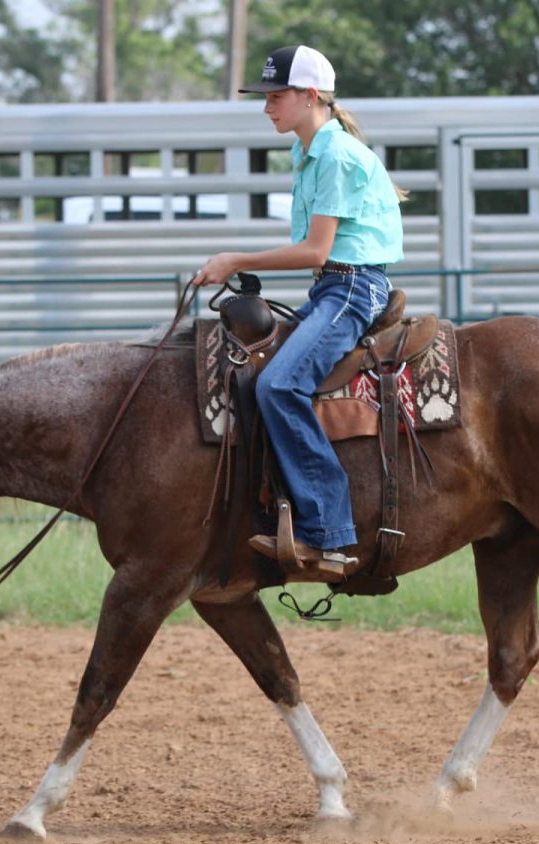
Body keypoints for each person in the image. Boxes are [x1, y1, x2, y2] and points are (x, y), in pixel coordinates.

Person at [193, 44, 404, 581]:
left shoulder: (334, 157)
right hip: (333, 286)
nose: (267, 106)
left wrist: (235, 260)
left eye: (276, 96)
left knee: (279, 385)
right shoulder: (308, 151)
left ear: (310, 96)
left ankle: (329, 535)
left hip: (351, 289)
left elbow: (315, 250)